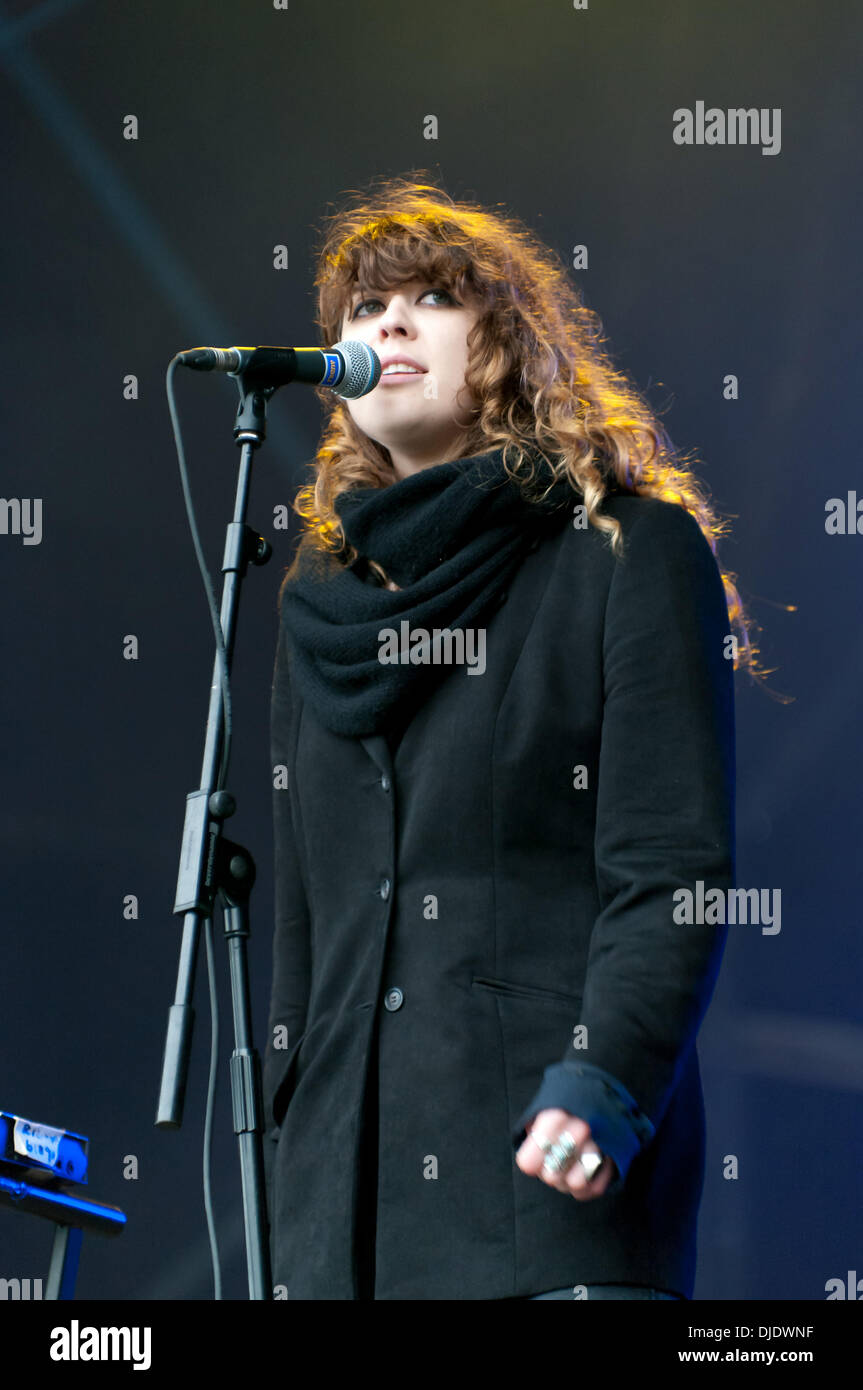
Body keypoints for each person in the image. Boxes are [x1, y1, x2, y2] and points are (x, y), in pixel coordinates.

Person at [261, 173, 758, 1301]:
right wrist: (290, 1140)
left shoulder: (624, 553)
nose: (388, 325)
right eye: (363, 309)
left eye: (432, 299)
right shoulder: (317, 610)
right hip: (338, 1229)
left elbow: (671, 870)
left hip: (544, 1192)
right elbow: (304, 929)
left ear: (509, 344)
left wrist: (605, 1082)